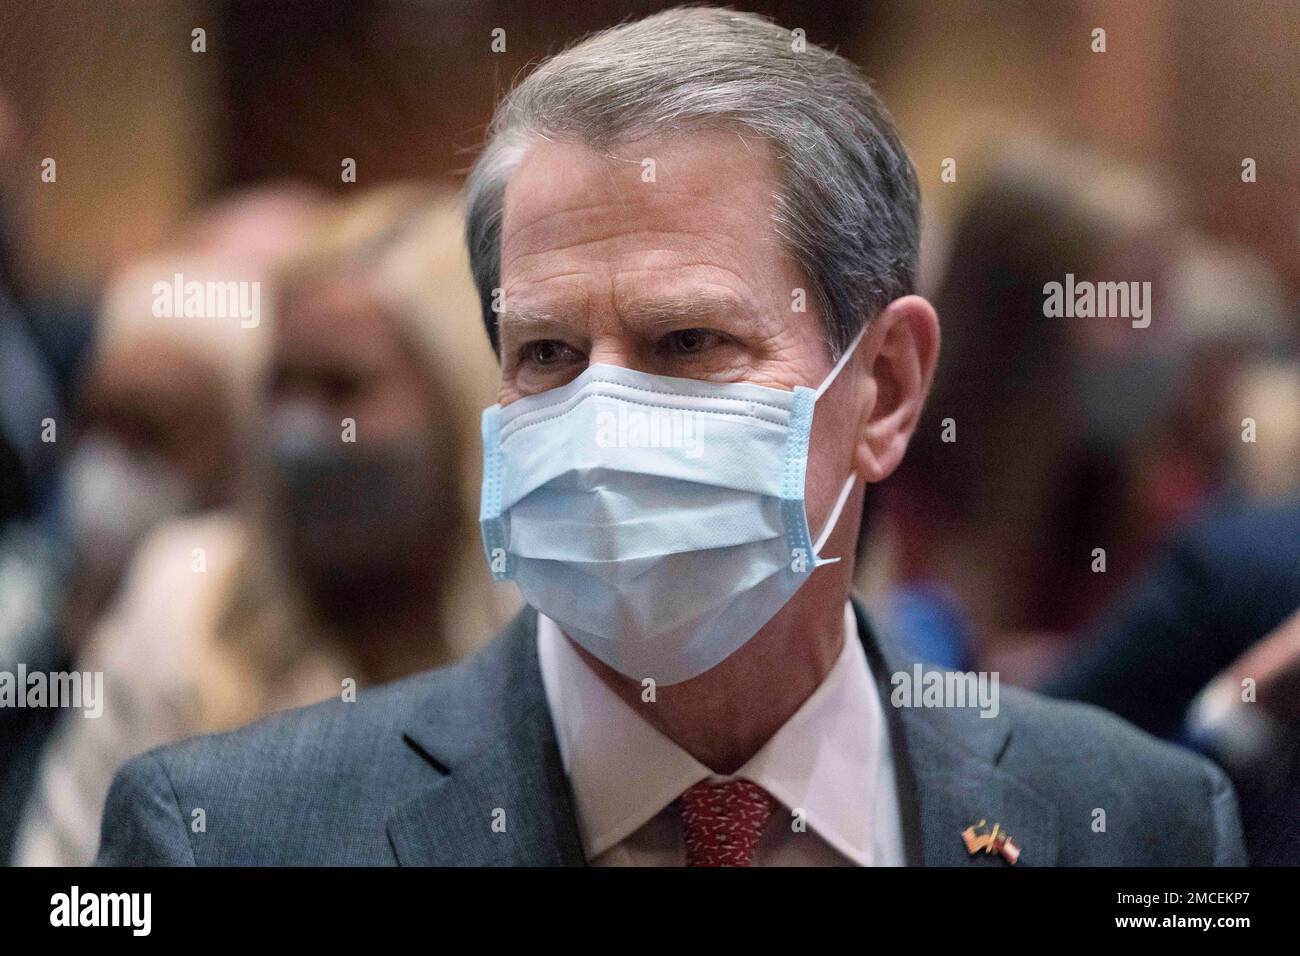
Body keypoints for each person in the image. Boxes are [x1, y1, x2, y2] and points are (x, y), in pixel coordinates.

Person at [97, 7, 1243, 867]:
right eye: (546, 353)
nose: (598, 421)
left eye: (687, 339)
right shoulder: (230, 836)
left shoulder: (1138, 823)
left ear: (885, 388)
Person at [16, 186, 508, 866]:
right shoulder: (186, 597)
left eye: (342, 388)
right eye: (280, 386)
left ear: (461, 407)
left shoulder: (546, 629)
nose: (297, 433)